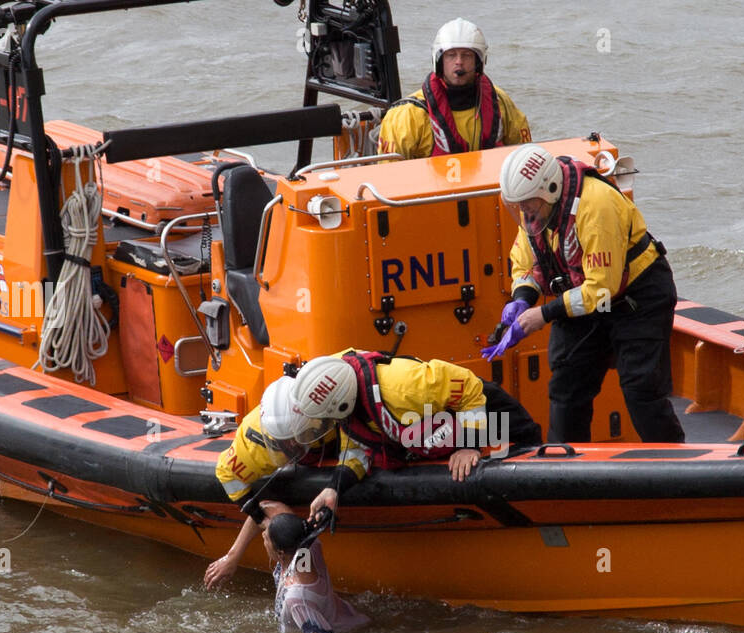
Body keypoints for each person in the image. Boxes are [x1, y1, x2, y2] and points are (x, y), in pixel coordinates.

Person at [482, 144, 686, 444]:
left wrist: (543, 314)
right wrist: (522, 298)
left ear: (549, 189)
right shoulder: (537, 211)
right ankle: (565, 468)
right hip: (580, 298)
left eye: (529, 204)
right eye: (519, 205)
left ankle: (675, 463)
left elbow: (602, 288)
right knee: (566, 388)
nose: (525, 212)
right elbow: (525, 261)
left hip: (636, 297)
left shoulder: (596, 205)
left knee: (640, 389)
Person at [289, 348, 542, 516]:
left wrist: (470, 444)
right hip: (442, 425)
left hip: (488, 411)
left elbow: (468, 387)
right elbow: (356, 452)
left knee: (527, 443)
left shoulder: (404, 386)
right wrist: (333, 488)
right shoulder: (351, 411)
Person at [203, 376, 366, 590]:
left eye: (295, 439)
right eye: (283, 442)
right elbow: (228, 475)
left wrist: (336, 484)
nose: (290, 445)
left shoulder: (326, 413)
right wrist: (264, 522)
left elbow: (359, 447)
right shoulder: (253, 444)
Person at [377, 18, 532, 160]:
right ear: (439, 61)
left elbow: (526, 156)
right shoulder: (407, 115)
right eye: (451, 55)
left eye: (467, 55)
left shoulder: (501, 102)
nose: (459, 62)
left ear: (479, 61)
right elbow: (390, 176)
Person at [262, 503, 369, 633]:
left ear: (280, 553)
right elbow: (266, 506)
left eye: (266, 538)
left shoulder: (298, 599)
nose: (263, 534)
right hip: (352, 619)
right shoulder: (305, 549)